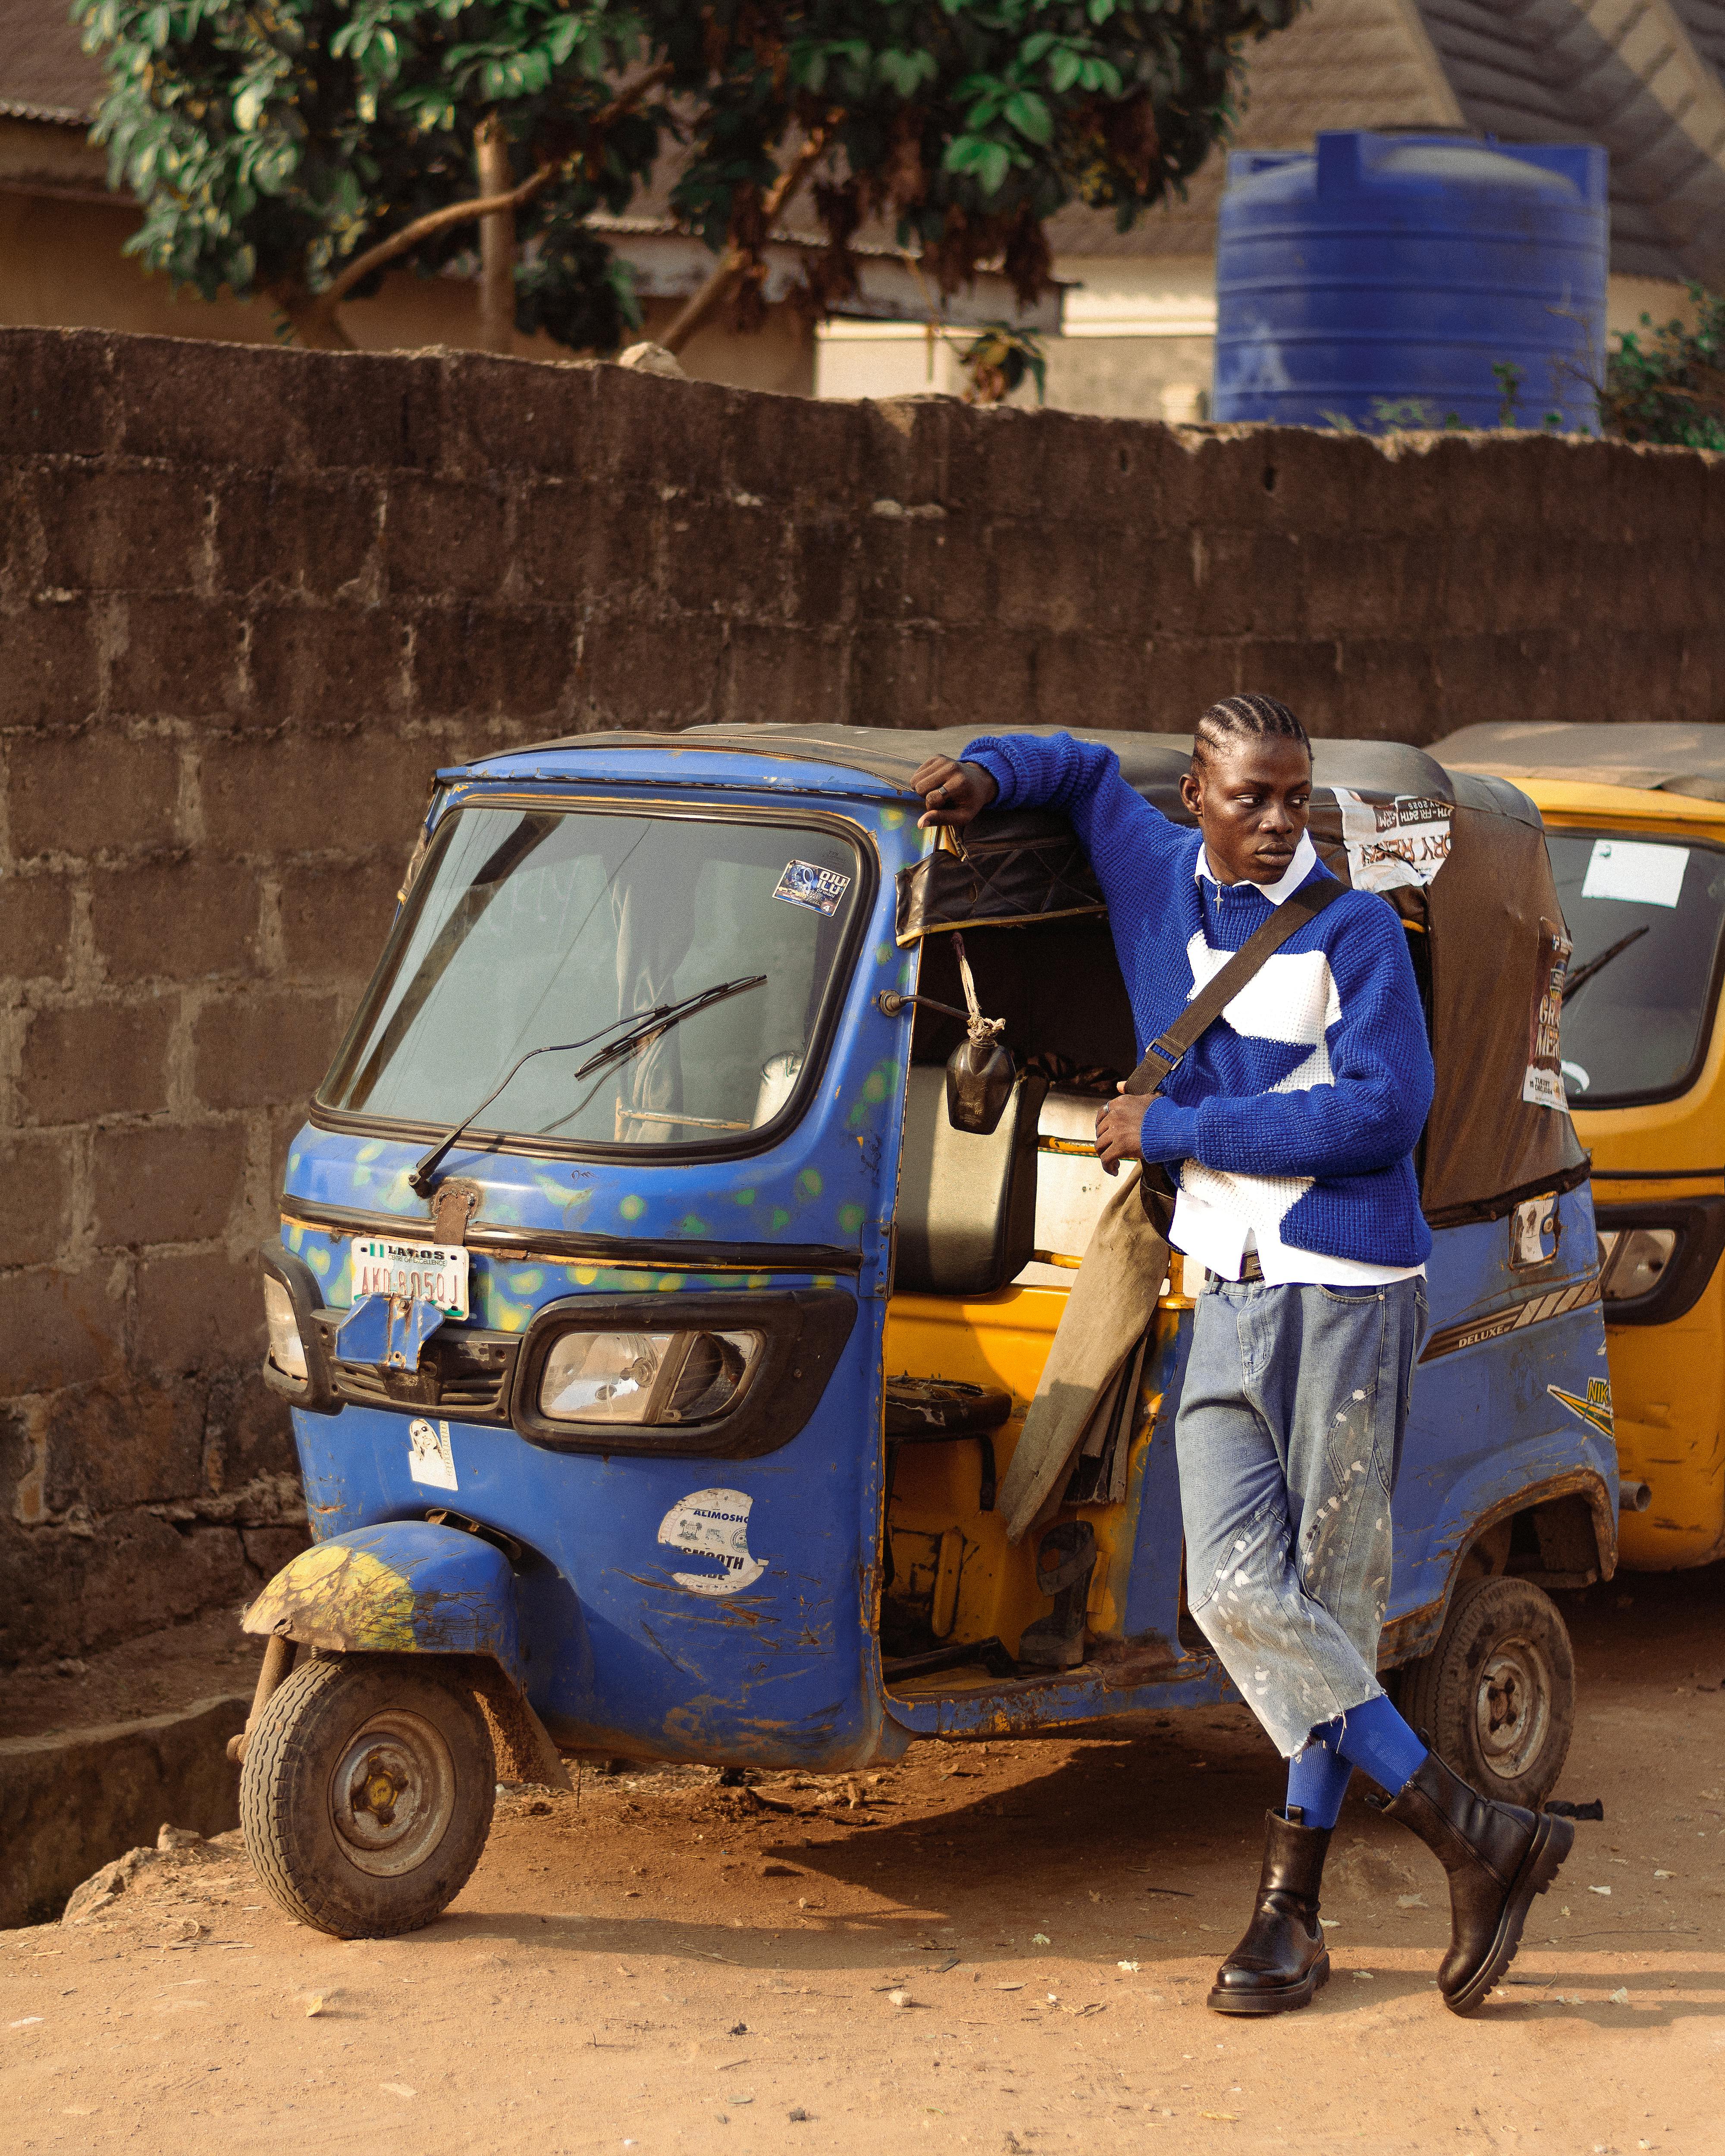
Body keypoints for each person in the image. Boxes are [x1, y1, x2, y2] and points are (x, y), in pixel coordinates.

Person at [911, 699, 1574, 2019]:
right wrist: (987, 773)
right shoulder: (1150, 872)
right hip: (1226, 1290)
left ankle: (1290, 1911)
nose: (1279, 821)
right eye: (1251, 797)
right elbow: (1080, 770)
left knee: (1326, 1601)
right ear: (1198, 799)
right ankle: (1471, 1828)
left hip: (1347, 1296)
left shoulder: (1354, 929)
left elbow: (1384, 1111)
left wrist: (1179, 1128)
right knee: (1232, 1594)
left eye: (1295, 795)